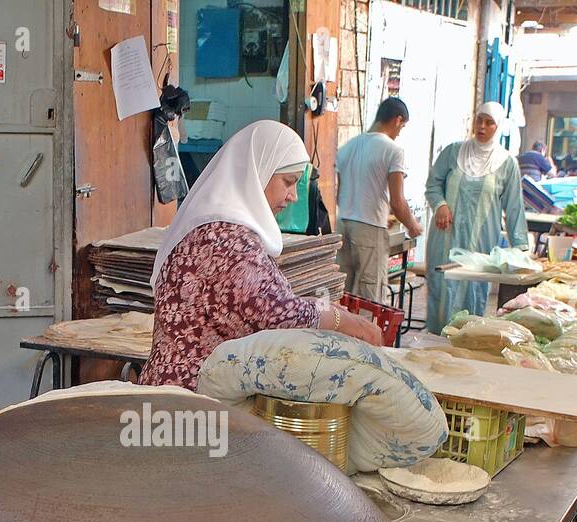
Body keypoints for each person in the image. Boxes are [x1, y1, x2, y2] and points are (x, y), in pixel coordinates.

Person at [139, 121, 382, 390]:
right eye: (288, 182)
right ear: (258, 172)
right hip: (192, 400)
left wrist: (324, 308)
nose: (292, 197)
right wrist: (342, 320)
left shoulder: (215, 226)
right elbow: (276, 314)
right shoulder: (225, 239)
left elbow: (256, 303)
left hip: (182, 391)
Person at [423, 102, 529, 333]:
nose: (482, 126)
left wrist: (520, 250)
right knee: (442, 290)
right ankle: (434, 347)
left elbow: (513, 207)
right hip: (444, 239)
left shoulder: (506, 163)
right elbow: (433, 184)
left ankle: (467, 345)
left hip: (480, 244)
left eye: (489, 122)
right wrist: (440, 204)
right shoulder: (453, 152)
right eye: (479, 119)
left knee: (472, 292)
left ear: (498, 126)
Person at [335, 97, 423, 304]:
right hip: (370, 230)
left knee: (343, 296)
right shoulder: (393, 150)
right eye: (402, 126)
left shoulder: (347, 147)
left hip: (343, 226)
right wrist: (412, 225)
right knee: (369, 299)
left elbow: (341, 196)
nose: (400, 131)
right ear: (397, 120)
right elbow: (397, 202)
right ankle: (366, 337)